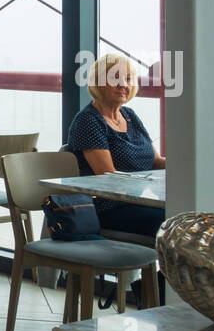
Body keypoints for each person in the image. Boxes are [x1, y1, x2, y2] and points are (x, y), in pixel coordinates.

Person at [67, 53, 167, 239]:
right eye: (115, 78)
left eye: (128, 79)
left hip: (138, 202)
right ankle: (172, 269)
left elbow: (155, 162)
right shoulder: (88, 120)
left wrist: (190, 163)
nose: (123, 84)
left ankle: (175, 269)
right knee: (177, 222)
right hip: (107, 208)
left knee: (191, 215)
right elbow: (109, 177)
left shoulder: (130, 115)